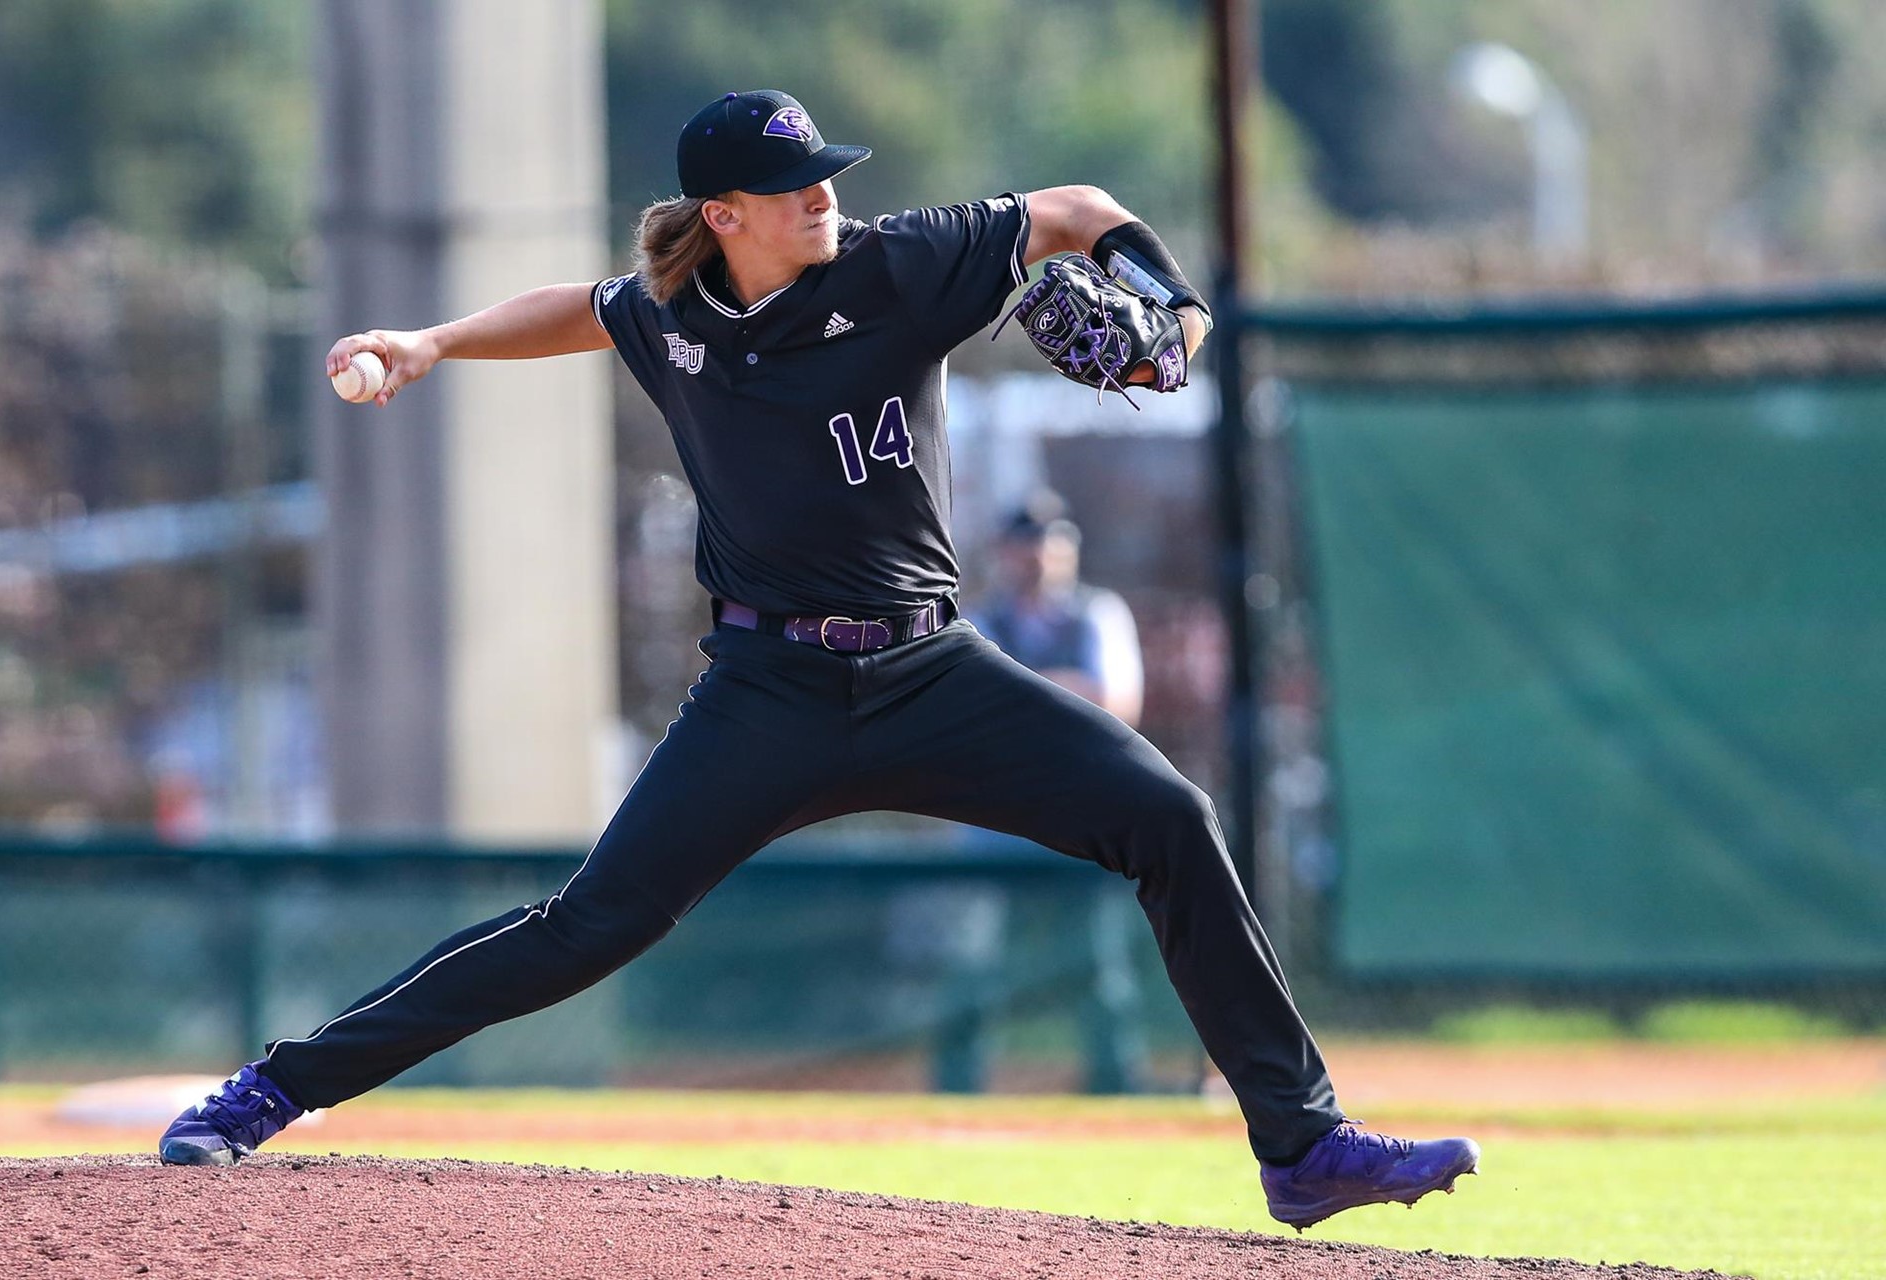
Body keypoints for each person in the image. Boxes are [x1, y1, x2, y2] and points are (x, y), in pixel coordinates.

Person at [158, 88, 1477, 1230]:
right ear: (724, 213)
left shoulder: (901, 270)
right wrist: (431, 344)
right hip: (767, 693)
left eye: (824, 180)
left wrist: (1170, 311)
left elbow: (1075, 208)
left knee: (1169, 821)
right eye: (791, 191)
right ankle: (280, 1084)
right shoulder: (678, 315)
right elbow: (586, 307)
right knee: (587, 927)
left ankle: (1301, 1149)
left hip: (932, 674)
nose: (823, 204)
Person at [967, 489, 1144, 727]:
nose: (1039, 556)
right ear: (1004, 552)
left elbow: (1119, 702)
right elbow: (970, 704)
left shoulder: (1099, 611)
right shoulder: (981, 621)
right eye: (1026, 544)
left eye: (1051, 545)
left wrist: (1014, 691)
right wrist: (1070, 687)